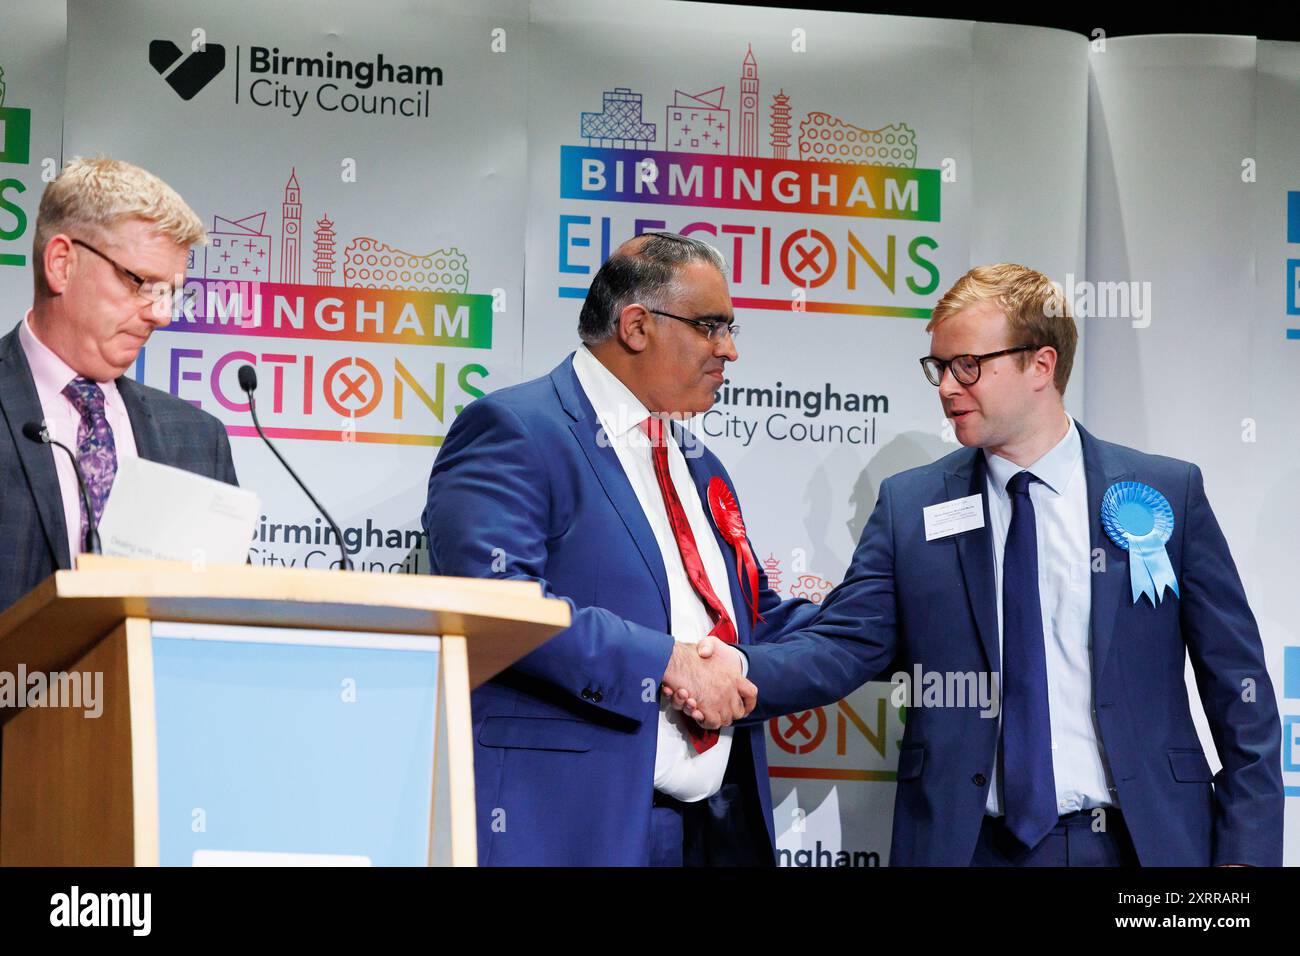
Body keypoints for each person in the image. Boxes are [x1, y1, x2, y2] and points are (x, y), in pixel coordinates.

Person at [684, 263, 1283, 866]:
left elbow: (1240, 690)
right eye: (938, 368)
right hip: (966, 848)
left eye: (967, 365)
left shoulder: (1164, 493)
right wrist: (730, 671)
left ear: (1040, 366)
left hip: (1137, 846)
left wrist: (1246, 856)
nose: (946, 387)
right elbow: (842, 646)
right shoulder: (910, 506)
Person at [422, 233, 816, 866]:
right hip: (571, 826)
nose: (730, 349)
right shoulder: (516, 430)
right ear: (636, 326)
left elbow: (753, 616)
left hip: (709, 831)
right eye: (711, 325)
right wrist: (669, 662)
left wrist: (892, 610)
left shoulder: (698, 462)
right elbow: (493, 605)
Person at [0, 156, 238, 612]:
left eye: (171, 291)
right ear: (61, 263)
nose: (162, 314)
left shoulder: (198, 441)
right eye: (142, 282)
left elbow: (220, 625)